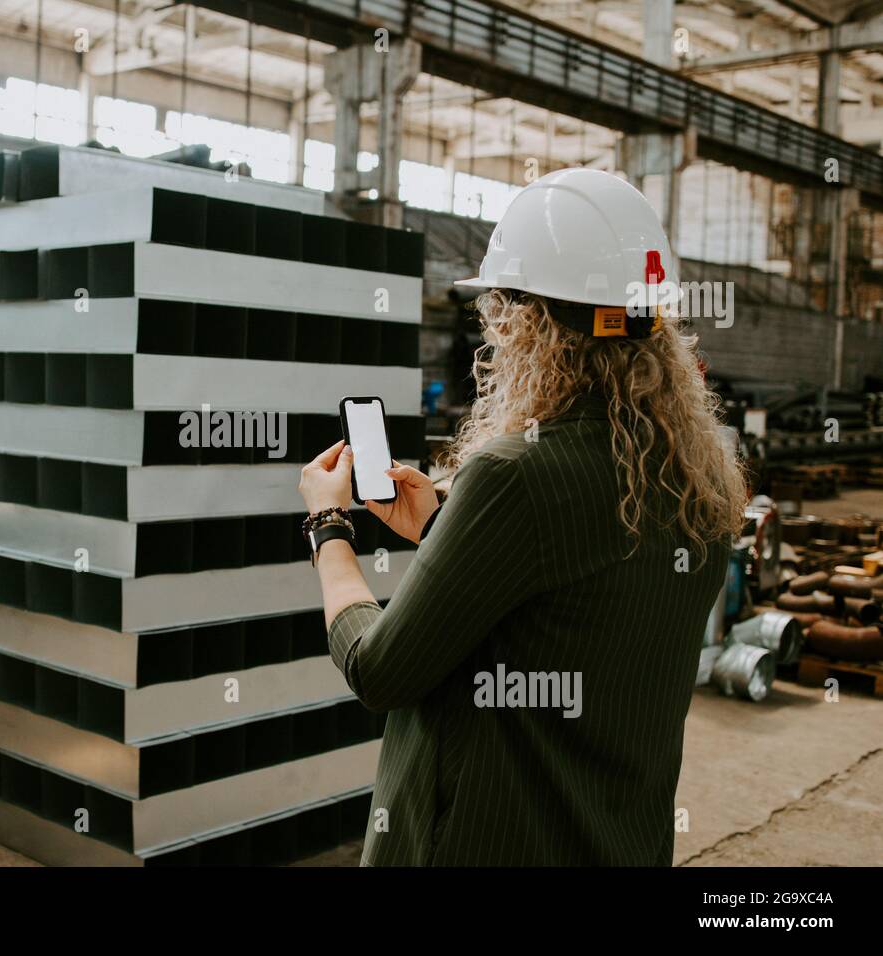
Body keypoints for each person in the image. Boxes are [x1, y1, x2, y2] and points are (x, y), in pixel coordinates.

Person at [297, 168, 748, 866]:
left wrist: (329, 532)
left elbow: (379, 671)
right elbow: (582, 593)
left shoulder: (515, 477)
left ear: (528, 321)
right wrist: (445, 523)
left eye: (501, 310)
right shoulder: (698, 478)